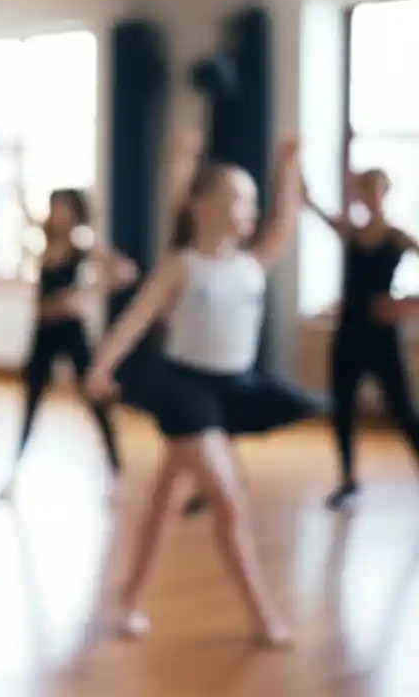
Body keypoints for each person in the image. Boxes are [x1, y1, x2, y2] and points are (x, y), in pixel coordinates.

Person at [84, 133, 312, 646]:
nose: (250, 210)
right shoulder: (182, 266)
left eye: (254, 202)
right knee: (229, 501)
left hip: (232, 388)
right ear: (202, 204)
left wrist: (288, 170)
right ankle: (264, 614)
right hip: (185, 389)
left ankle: (127, 602)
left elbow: (285, 223)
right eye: (239, 199)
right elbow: (135, 318)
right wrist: (102, 365)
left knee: (166, 500)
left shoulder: (252, 265)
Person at [2, 179, 138, 499]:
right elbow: (24, 212)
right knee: (31, 398)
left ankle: (116, 470)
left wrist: (84, 293)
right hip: (42, 332)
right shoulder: (46, 242)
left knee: (94, 399)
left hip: (71, 330)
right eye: (54, 207)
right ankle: (14, 472)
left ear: (75, 213)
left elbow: (125, 271)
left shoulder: (82, 247)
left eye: (63, 208)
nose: (57, 214)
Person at [305, 168, 419, 509]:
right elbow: (316, 210)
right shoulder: (352, 233)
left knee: (402, 410)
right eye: (362, 189)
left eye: (372, 189)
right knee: (343, 408)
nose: (367, 196)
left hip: (382, 337)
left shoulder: (397, 237)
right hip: (348, 333)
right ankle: (347, 479)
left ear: (383, 193)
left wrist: (406, 304)